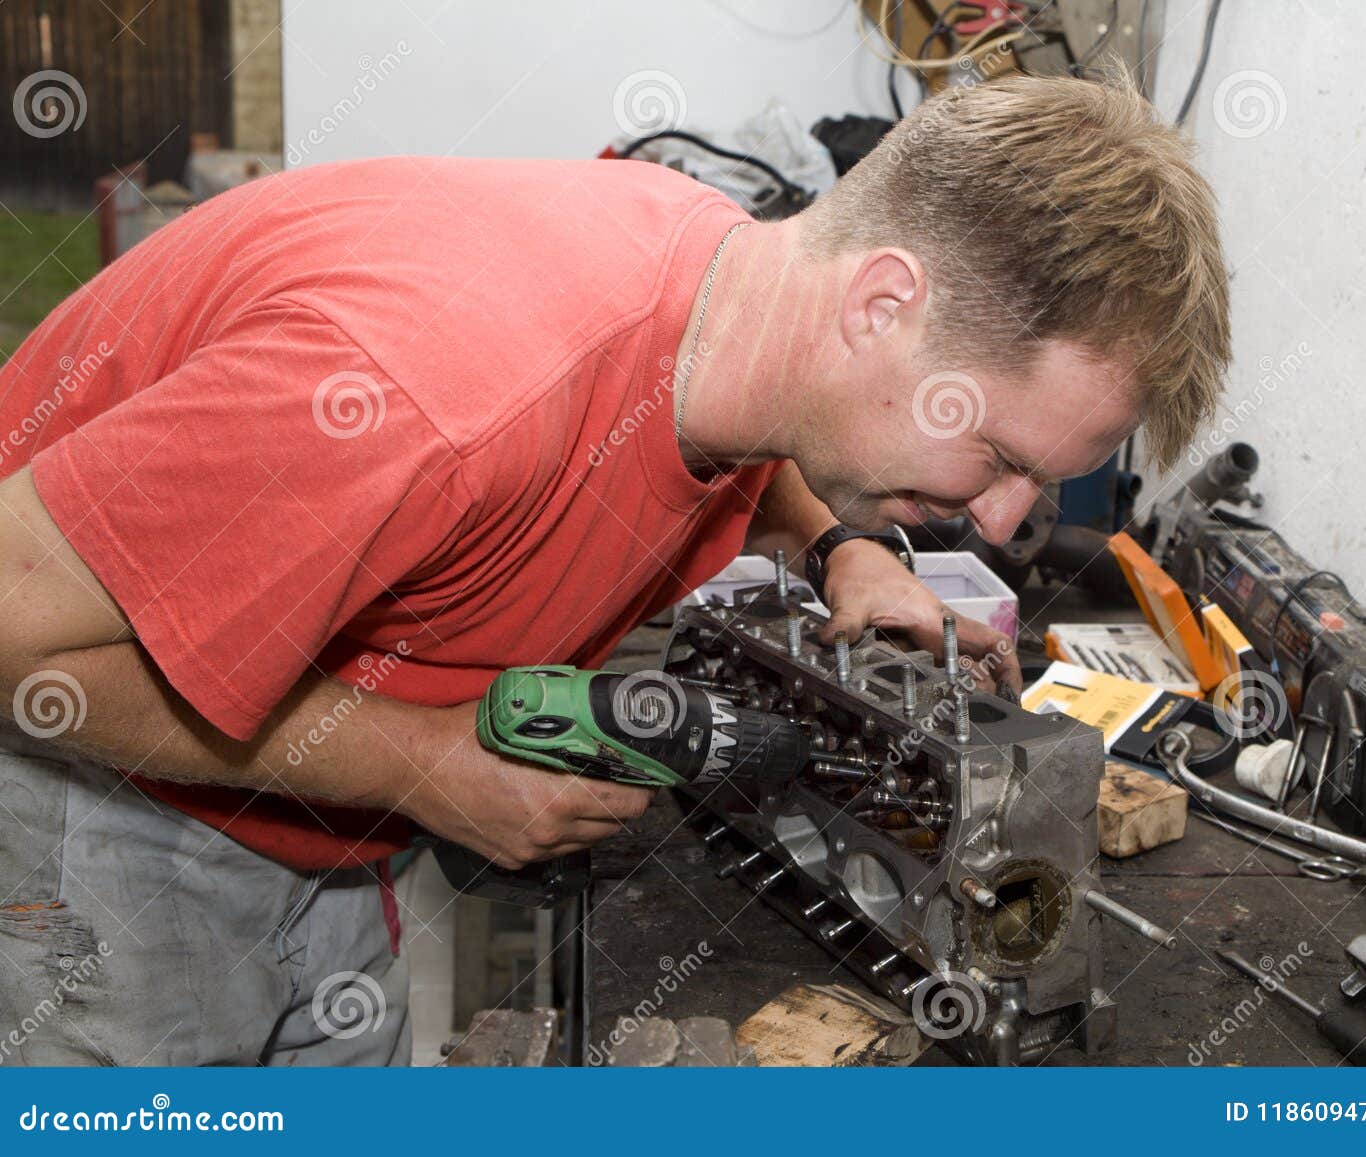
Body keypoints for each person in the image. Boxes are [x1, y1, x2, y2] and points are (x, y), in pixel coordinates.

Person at [0, 72, 1228, 1065]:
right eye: (1000, 453)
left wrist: (838, 543)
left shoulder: (732, 289)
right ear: (882, 302)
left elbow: (708, 427)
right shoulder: (422, 398)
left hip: (318, 802)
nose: (1005, 521)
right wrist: (426, 763)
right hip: (108, 806)